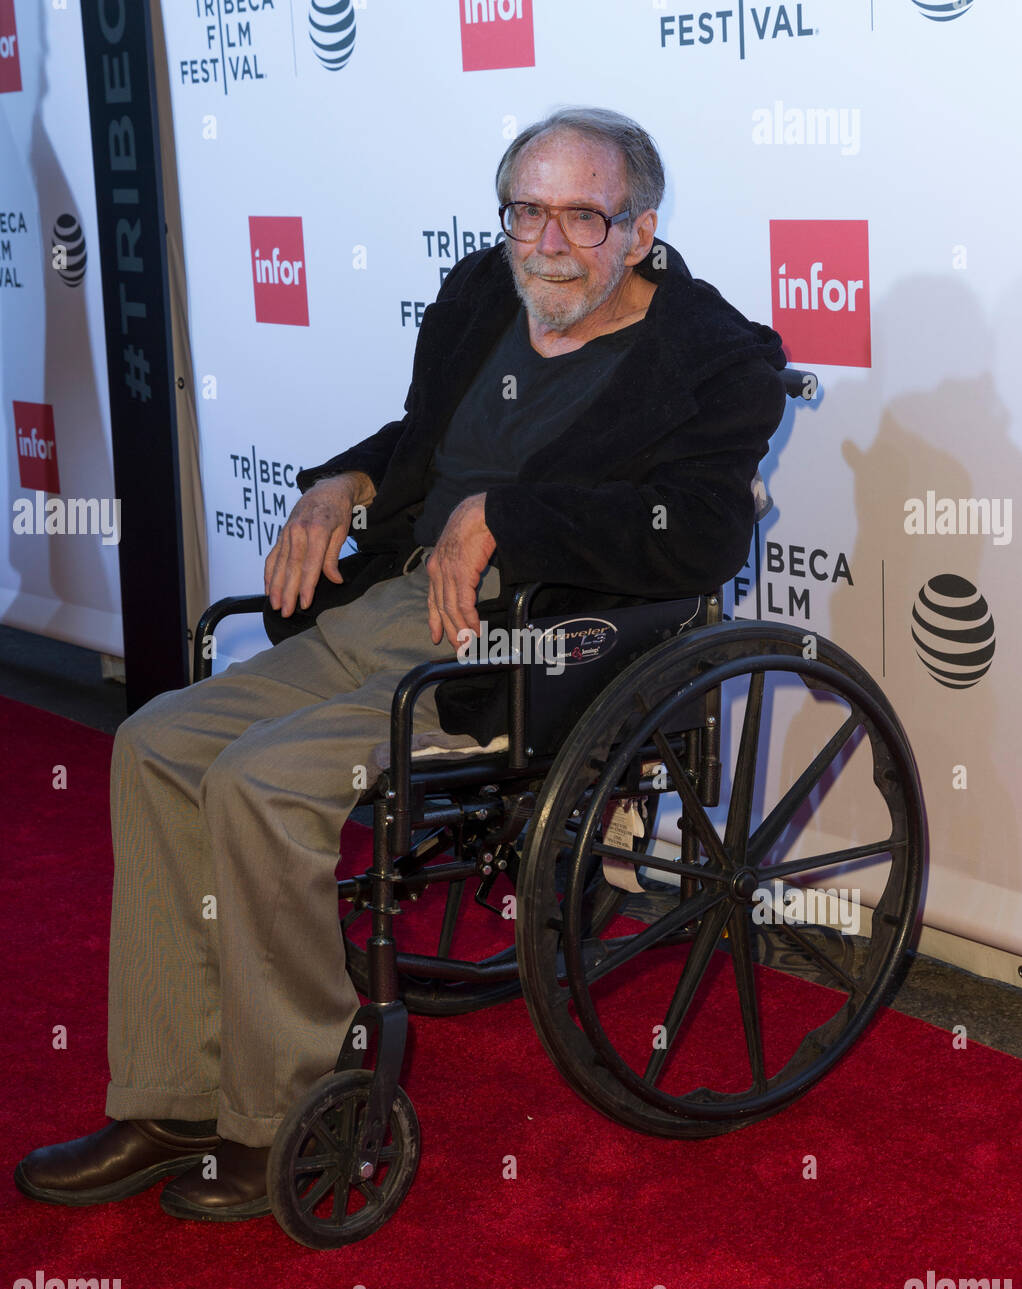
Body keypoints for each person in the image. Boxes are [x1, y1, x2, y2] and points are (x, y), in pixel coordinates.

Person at [14, 107, 787, 1223]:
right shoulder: (484, 294)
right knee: (156, 744)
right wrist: (345, 484)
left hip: (523, 646)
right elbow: (425, 443)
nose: (548, 241)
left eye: (582, 215)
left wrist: (511, 520)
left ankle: (281, 1107)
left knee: (258, 781)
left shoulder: (711, 360)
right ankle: (171, 1098)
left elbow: (701, 529)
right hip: (390, 606)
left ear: (639, 229)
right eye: (527, 210)